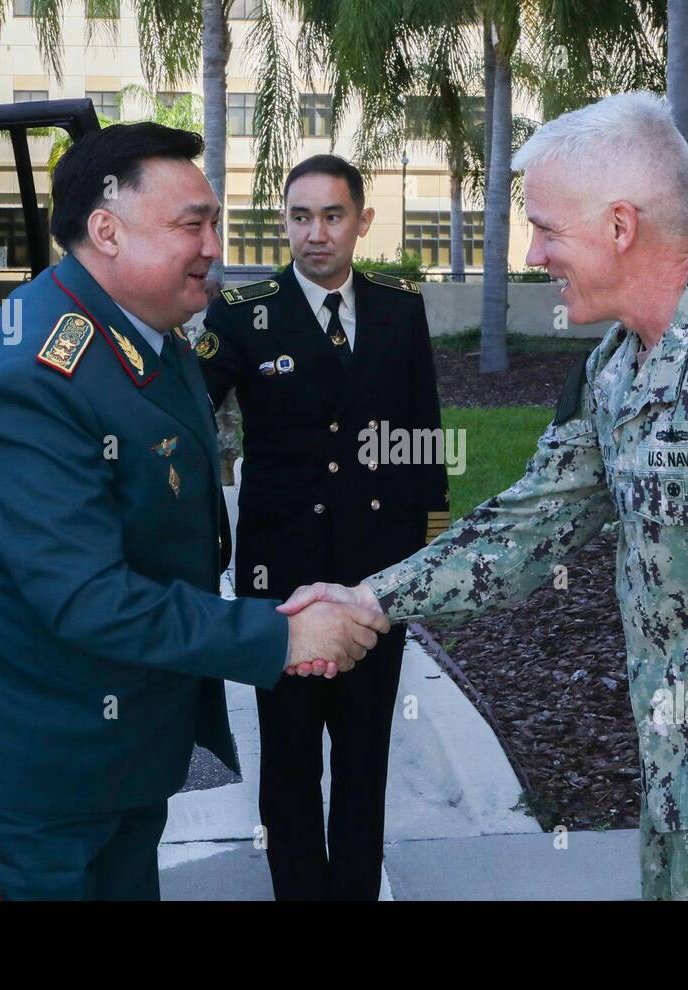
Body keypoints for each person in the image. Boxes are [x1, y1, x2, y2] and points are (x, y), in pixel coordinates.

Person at [282, 93, 688, 901]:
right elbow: (533, 520)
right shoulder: (619, 366)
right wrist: (372, 597)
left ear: (619, 227)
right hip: (684, 768)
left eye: (545, 228)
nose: (534, 252)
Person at [0, 123, 388, 901]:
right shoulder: (37, 373)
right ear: (106, 230)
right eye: (193, 224)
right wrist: (279, 637)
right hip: (28, 763)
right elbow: (85, 597)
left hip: (120, 748)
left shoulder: (151, 336)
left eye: (214, 222)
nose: (214, 245)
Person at [198, 154, 450, 900]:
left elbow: (423, 433)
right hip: (284, 576)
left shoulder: (399, 308)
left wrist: (425, 557)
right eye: (300, 216)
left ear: (361, 222)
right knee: (290, 759)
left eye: (332, 215)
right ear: (283, 222)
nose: (316, 233)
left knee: (365, 753)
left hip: (376, 572)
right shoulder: (244, 312)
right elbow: (188, 414)